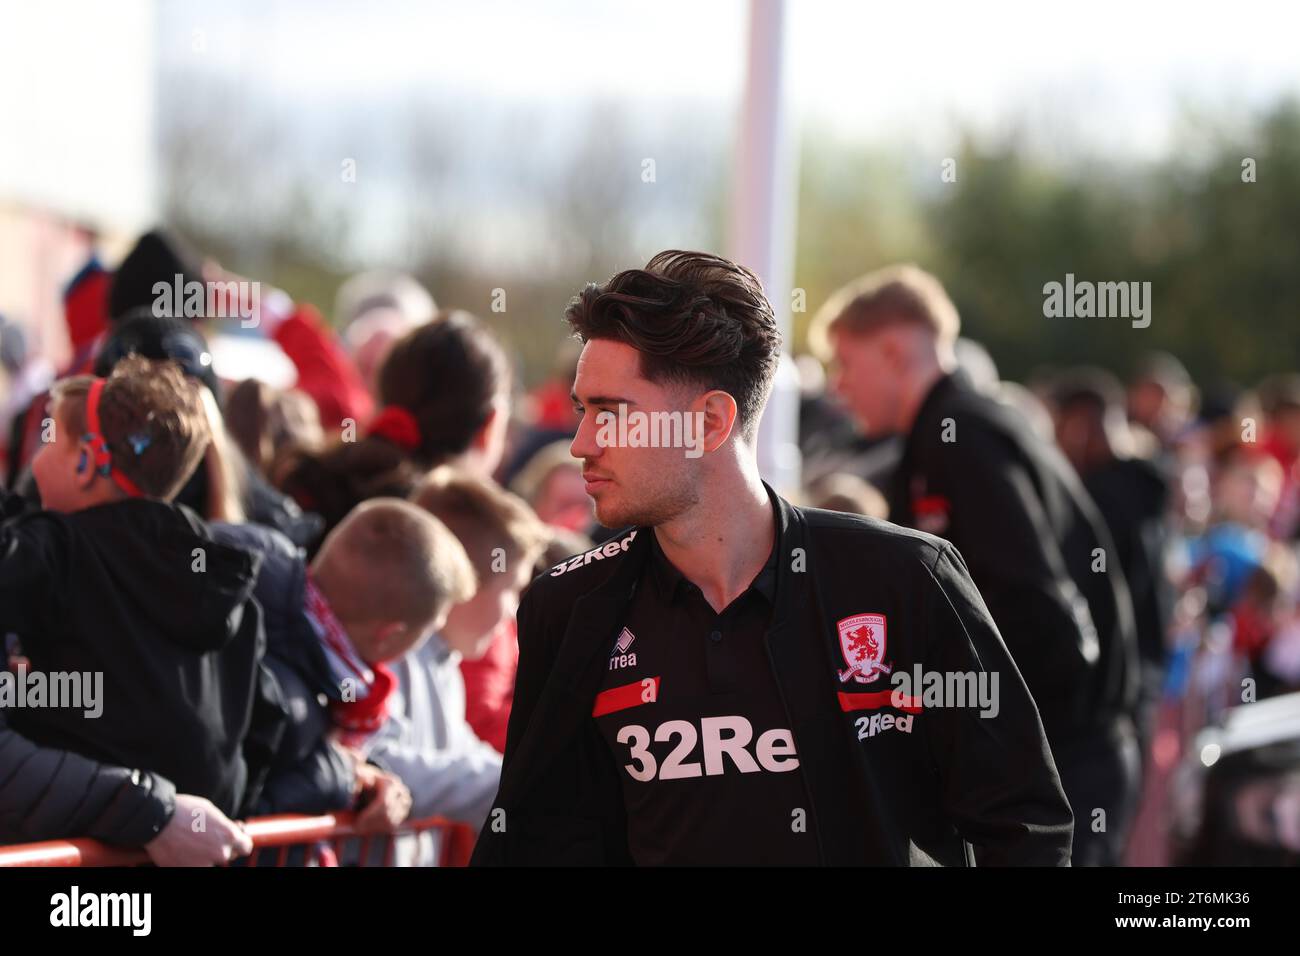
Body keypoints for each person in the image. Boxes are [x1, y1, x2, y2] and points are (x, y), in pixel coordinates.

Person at [471, 250, 1072, 867]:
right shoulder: (568, 609)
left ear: (708, 422)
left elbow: (1023, 824)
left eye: (610, 413)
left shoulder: (904, 580)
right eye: (582, 410)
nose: (581, 442)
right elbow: (532, 844)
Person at [811, 264, 1141, 866]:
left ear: (892, 349)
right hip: (1070, 747)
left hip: (1065, 756)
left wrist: (989, 750)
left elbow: (1037, 610)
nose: (837, 387)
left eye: (844, 363)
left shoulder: (958, 434)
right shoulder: (966, 423)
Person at [0, 356, 283, 827]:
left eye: (50, 437)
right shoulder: (216, 571)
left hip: (83, 848)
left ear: (87, 461)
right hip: (194, 842)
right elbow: (267, 717)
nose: (37, 455)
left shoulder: (62, 549)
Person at [211, 498, 477, 830]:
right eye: (430, 630)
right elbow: (234, 811)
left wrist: (368, 776)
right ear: (389, 634)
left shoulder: (281, 626)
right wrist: (343, 776)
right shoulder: (286, 698)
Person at [362, 470, 547, 864]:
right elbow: (376, 759)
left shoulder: (444, 664)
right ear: (464, 581)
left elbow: (466, 754)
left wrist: (534, 776)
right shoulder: (397, 650)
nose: (513, 614)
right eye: (511, 588)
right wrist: (511, 787)